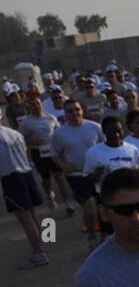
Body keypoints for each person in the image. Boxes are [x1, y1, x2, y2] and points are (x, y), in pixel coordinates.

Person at [50, 99, 105, 249]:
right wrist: (64, 166)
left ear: (82, 110)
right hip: (77, 175)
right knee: (91, 208)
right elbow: (54, 155)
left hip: (98, 174)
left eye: (77, 109)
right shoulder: (59, 134)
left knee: (103, 208)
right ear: (65, 114)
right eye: (70, 111)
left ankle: (104, 236)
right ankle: (92, 235)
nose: (74, 113)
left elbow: (105, 146)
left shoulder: (95, 127)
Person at [1, 119, 50, 268]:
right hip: (26, 173)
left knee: (25, 219)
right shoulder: (15, 133)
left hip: (12, 177)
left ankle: (38, 252)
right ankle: (39, 248)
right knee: (32, 215)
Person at [18, 97, 73, 215]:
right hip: (38, 153)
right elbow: (20, 139)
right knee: (46, 179)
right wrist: (31, 141)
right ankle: (49, 195)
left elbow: (59, 133)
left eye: (38, 104)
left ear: (42, 105)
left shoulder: (51, 118)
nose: (36, 106)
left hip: (52, 151)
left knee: (60, 177)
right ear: (29, 107)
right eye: (33, 104)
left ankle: (68, 204)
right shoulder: (26, 122)